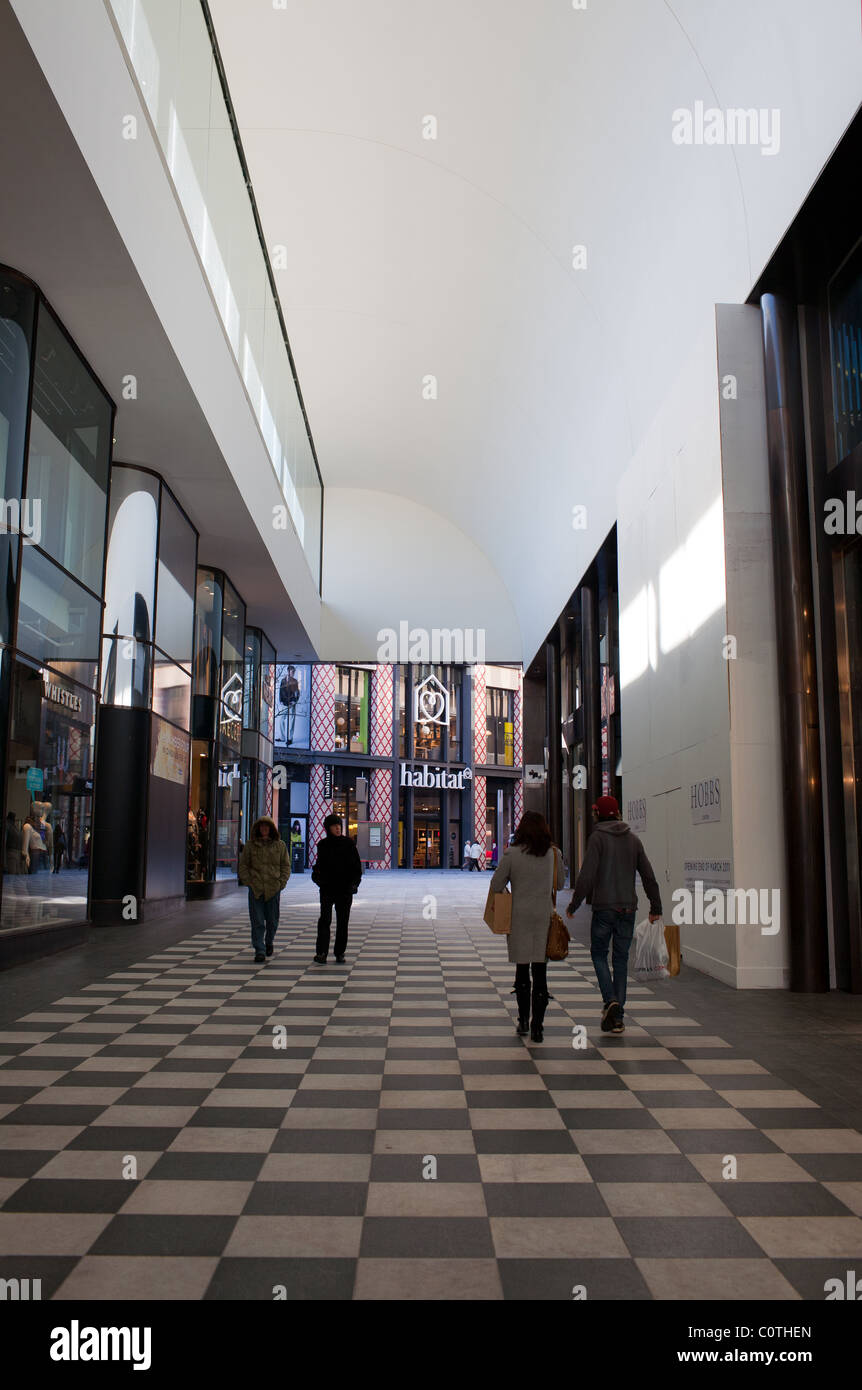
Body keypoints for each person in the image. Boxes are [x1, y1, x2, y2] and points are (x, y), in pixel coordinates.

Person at [566, 795, 662, 1035]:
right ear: (618, 813)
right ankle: (617, 1018)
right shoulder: (633, 840)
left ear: (598, 813)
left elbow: (586, 876)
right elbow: (648, 876)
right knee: (620, 960)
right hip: (628, 908)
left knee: (599, 954)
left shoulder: (597, 839)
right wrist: (656, 906)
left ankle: (610, 1001)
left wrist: (574, 904)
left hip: (604, 909)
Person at [490, 812, 563, 1042]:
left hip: (518, 916)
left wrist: (511, 894)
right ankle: (538, 1027)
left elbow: (496, 884)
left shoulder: (512, 854)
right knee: (540, 973)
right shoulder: (553, 853)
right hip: (543, 917)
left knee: (522, 970)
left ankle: (522, 1020)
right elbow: (560, 884)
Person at [238, 815, 290, 964]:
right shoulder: (250, 845)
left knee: (272, 921)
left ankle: (269, 941)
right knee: (258, 921)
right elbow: (243, 865)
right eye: (262, 827)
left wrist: (281, 883)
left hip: (273, 888)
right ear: (258, 829)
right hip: (256, 888)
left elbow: (285, 866)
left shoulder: (280, 845)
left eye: (267, 827)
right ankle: (259, 949)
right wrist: (248, 882)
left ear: (271, 829)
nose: (264, 829)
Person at [312, 814, 362, 964]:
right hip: (327, 889)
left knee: (342, 922)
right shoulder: (323, 845)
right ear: (328, 828)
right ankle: (322, 952)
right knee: (325, 920)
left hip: (345, 889)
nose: (338, 828)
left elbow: (356, 867)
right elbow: (318, 867)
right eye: (334, 825)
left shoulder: (349, 844)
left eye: (339, 825)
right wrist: (318, 880)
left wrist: (354, 884)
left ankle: (340, 952)